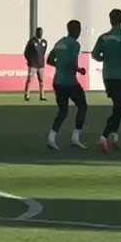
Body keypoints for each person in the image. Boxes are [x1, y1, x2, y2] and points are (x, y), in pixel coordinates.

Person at [91, 9, 121, 153]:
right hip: (119, 76)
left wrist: (104, 58)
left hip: (107, 76)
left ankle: (113, 136)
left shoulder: (103, 37)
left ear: (110, 19)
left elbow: (95, 54)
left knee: (117, 106)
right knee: (119, 107)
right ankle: (105, 135)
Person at [47, 19, 87, 150]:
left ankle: (52, 137)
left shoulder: (59, 42)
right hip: (69, 82)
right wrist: (78, 69)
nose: (80, 32)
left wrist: (59, 65)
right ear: (75, 30)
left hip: (57, 81)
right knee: (82, 106)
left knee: (63, 111)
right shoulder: (74, 44)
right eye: (79, 29)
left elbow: (49, 60)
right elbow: (72, 62)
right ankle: (75, 137)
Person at [24, 27, 48, 102]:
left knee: (42, 81)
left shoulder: (44, 42)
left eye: (41, 32)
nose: (40, 34)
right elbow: (26, 52)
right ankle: (27, 95)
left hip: (41, 65)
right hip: (33, 65)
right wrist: (30, 60)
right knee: (30, 80)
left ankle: (42, 95)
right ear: (36, 33)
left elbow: (43, 52)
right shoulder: (32, 41)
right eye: (38, 32)